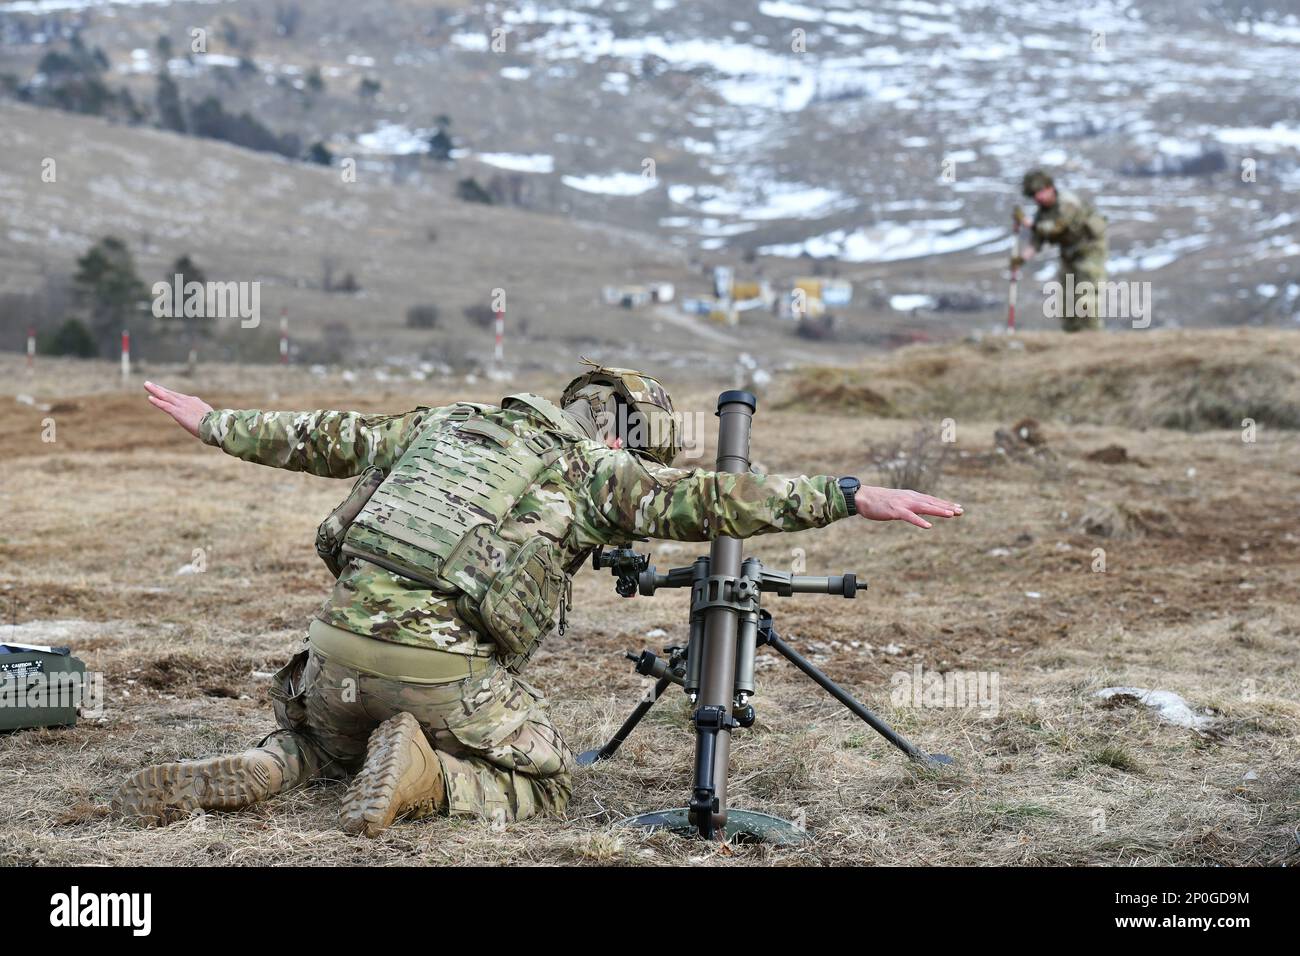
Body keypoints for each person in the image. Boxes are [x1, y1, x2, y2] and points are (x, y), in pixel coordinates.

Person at [114, 366, 962, 835]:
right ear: (627, 438)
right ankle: (427, 778)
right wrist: (850, 494)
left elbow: (324, 436)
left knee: (323, 731)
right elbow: (718, 502)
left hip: (331, 659)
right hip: (438, 680)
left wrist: (215, 421)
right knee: (551, 782)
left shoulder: (446, 421)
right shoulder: (597, 472)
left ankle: (281, 758)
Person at [1015, 168, 1109, 331]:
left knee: (1086, 297)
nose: (1038, 197)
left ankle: (1093, 337)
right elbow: (1037, 241)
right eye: (1034, 195)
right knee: (1066, 301)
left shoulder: (1067, 202)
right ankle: (1070, 339)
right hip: (1068, 255)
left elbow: (1057, 227)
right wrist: (1020, 260)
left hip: (1089, 252)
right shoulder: (1042, 213)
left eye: (1041, 192)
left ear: (1050, 187)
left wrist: (1029, 223)